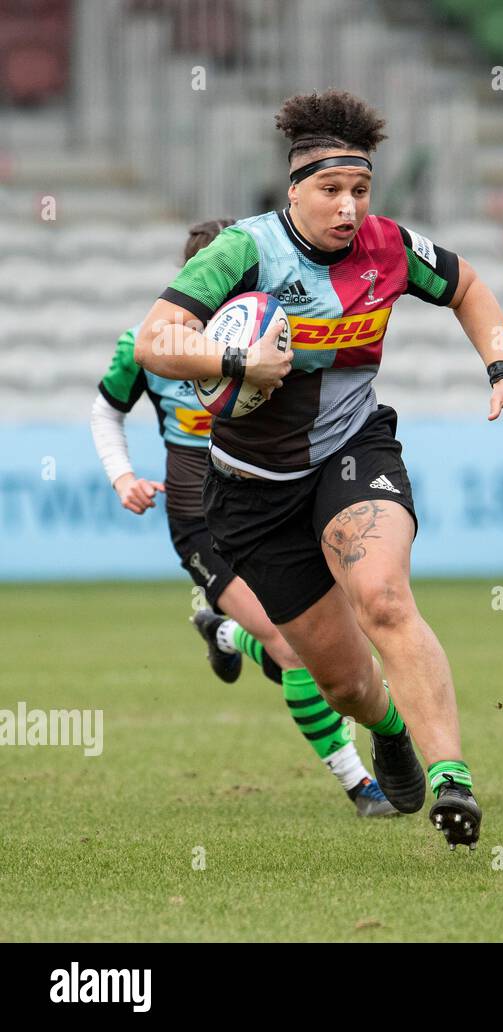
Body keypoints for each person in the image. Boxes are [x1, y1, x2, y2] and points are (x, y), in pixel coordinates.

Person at [135, 89, 503, 849]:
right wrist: (235, 358)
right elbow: (154, 342)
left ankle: (453, 777)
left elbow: (467, 287)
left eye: (360, 190)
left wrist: (502, 368)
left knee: (385, 597)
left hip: (352, 451)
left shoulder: (389, 247)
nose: (349, 206)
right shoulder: (244, 251)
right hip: (252, 491)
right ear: (294, 189)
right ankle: (388, 730)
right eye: (331, 190)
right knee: (343, 682)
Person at [91, 218, 395, 818]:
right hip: (198, 519)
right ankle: (360, 782)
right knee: (290, 647)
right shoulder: (148, 346)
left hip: (269, 505)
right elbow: (105, 411)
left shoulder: (275, 336)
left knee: (332, 644)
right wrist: (123, 476)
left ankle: (225, 631)